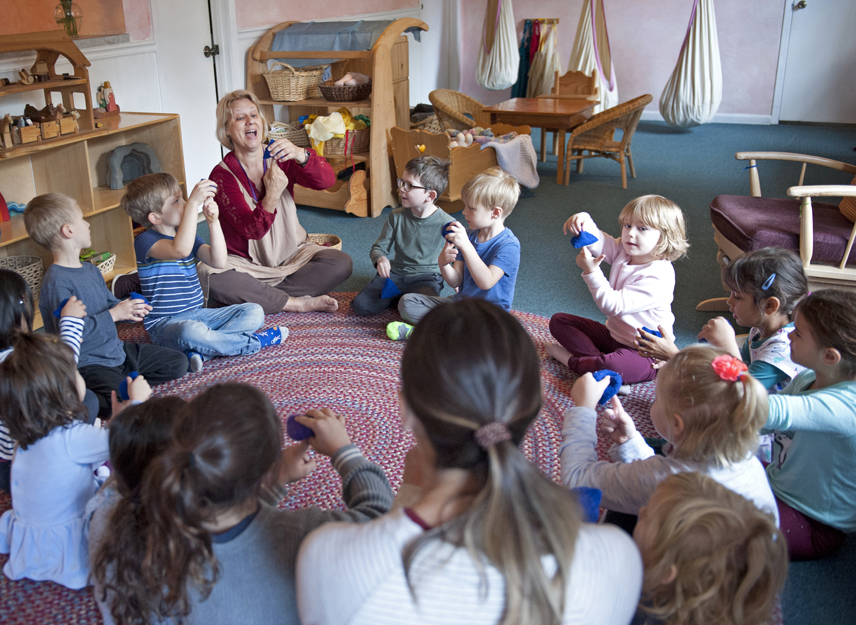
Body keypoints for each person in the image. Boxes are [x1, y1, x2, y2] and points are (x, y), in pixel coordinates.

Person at [297, 300, 642, 625]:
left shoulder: (329, 559)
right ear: (531, 410)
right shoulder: (618, 557)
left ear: (404, 408)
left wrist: (407, 492)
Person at [89, 382, 393, 625]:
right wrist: (344, 449)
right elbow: (381, 518)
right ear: (263, 470)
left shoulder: (133, 533)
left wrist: (274, 480)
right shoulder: (302, 535)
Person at [0, 331, 151, 589]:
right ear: (66, 391)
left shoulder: (26, 433)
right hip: (68, 536)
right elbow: (123, 441)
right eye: (75, 371)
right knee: (129, 483)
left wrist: (116, 422)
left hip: (33, 532)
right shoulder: (73, 438)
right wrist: (139, 402)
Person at [562, 345, 779, 529]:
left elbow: (577, 478)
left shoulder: (669, 482)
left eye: (656, 398)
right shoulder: (747, 461)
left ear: (677, 425)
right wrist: (631, 444)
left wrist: (584, 408)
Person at [26, 192, 189, 418]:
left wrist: (128, 307)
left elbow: (108, 304)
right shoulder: (57, 283)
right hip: (87, 364)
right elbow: (71, 334)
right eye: (82, 219)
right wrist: (114, 314)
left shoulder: (90, 269)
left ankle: (123, 384)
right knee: (124, 403)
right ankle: (88, 394)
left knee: (178, 362)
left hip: (117, 351)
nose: (87, 223)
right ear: (68, 231)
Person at [120, 173, 288, 373]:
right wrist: (193, 204)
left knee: (254, 311)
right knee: (190, 331)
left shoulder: (186, 237)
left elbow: (218, 260)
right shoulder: (145, 241)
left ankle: (202, 351)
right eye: (176, 201)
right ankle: (253, 343)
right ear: (155, 217)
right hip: (165, 325)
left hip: (200, 315)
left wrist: (213, 221)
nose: (184, 203)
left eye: (183, 198)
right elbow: (179, 250)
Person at [206, 90, 352, 315]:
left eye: (254, 115)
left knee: (341, 262)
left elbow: (327, 181)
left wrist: (301, 154)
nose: (250, 122)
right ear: (226, 129)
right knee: (213, 277)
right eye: (239, 118)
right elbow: (252, 231)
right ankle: (294, 303)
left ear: (262, 122)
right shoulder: (222, 175)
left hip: (291, 255)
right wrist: (272, 194)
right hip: (247, 265)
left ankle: (261, 297)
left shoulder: (281, 155)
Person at [0, 268, 97, 491]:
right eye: (21, 303)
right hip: (30, 466)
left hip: (0, 466)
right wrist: (70, 322)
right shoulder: (14, 359)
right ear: (4, 316)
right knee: (86, 400)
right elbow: (64, 367)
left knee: (88, 401)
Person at [546, 196, 689, 386]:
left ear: (665, 235)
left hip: (645, 353)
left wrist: (592, 271)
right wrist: (584, 220)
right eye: (627, 225)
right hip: (614, 335)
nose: (630, 234)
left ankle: (573, 362)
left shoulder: (658, 276)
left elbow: (612, 305)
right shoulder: (626, 250)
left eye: (642, 228)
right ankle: (602, 370)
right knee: (559, 321)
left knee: (613, 365)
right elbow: (601, 242)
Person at [762, 289, 856, 560]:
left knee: (711, 513)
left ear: (830, 356)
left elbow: (773, 411)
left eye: (798, 333)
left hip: (813, 524)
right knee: (711, 466)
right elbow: (763, 425)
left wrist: (731, 370)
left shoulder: (848, 404)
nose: (788, 334)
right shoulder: (807, 379)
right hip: (779, 483)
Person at [637, 247, 808, 391]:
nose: (729, 301)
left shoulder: (783, 347)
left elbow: (741, 391)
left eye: (738, 297)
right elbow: (740, 366)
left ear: (770, 306)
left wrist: (675, 355)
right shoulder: (760, 328)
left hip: (766, 422)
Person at [631, 472, 787, 625]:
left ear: (664, 571)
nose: (641, 511)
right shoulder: (742, 597)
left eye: (646, 519)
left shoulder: (638, 613)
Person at [385, 167, 521, 340]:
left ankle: (422, 334)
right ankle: (449, 333)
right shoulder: (470, 235)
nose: (464, 212)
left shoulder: (509, 245)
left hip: (489, 316)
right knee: (407, 303)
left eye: (471, 208)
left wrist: (466, 247)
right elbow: (456, 280)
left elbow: (485, 282)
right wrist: (443, 263)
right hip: (461, 306)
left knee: (489, 336)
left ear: (495, 212)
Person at [351, 155, 454, 317]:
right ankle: (401, 300)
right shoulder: (396, 216)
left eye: (409, 186)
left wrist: (459, 280)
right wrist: (381, 259)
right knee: (360, 306)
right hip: (396, 275)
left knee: (429, 313)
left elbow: (460, 256)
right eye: (402, 182)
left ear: (430, 196)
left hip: (427, 278)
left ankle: (401, 300)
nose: (402, 189)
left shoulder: (449, 223)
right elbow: (379, 248)